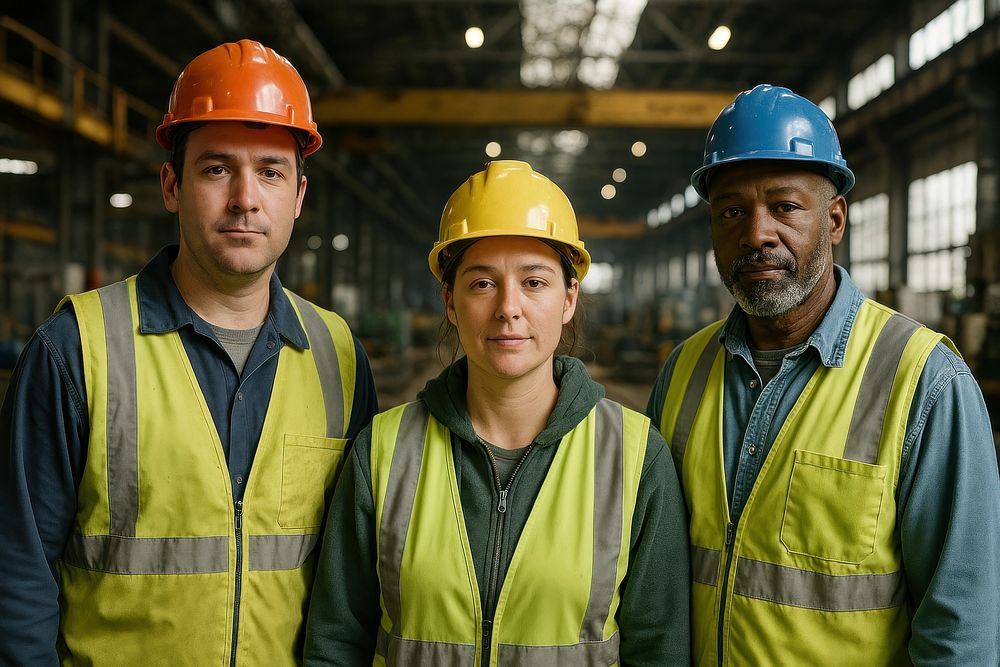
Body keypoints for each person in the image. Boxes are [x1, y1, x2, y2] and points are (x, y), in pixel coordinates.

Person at [0, 40, 378, 665]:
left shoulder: (337, 357)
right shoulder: (77, 349)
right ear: (172, 185)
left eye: (271, 171)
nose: (245, 198)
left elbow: (355, 583)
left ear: (299, 199)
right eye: (216, 168)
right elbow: (16, 573)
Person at [646, 83, 1000, 665]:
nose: (757, 233)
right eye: (731, 211)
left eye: (784, 207)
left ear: (834, 220)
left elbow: (960, 625)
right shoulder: (682, 372)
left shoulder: (923, 382)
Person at [304, 160, 690, 666]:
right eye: (482, 283)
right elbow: (335, 644)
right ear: (449, 300)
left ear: (569, 298)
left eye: (534, 282)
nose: (509, 308)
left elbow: (659, 650)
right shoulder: (382, 451)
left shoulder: (636, 457)